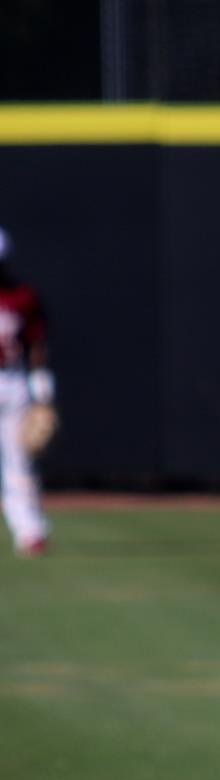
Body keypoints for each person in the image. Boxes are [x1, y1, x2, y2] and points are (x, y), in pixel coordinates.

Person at [0, 227, 54, 558]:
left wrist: (41, 380)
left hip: (13, 380)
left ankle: (29, 530)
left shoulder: (22, 296)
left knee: (18, 460)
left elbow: (36, 341)